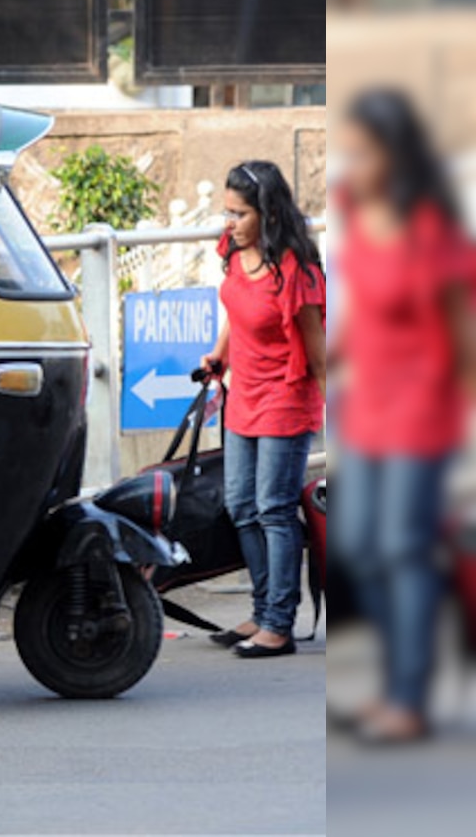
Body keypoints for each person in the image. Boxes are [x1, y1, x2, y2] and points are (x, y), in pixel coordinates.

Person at [331, 90, 472, 742]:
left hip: (421, 409)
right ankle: (396, 685)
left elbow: (463, 336)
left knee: (401, 547)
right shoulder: (359, 217)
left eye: (362, 150)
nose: (350, 162)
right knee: (358, 545)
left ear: (395, 152)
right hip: (366, 410)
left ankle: (407, 697)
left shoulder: (431, 234)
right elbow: (358, 311)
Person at [201, 161, 326, 659]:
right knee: (240, 506)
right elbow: (236, 310)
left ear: (269, 212)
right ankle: (261, 609)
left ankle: (279, 623)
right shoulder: (235, 251)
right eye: (226, 212)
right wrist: (219, 356)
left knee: (274, 510)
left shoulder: (297, 270)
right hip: (244, 395)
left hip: (287, 396)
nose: (228, 223)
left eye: (239, 213)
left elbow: (320, 355)